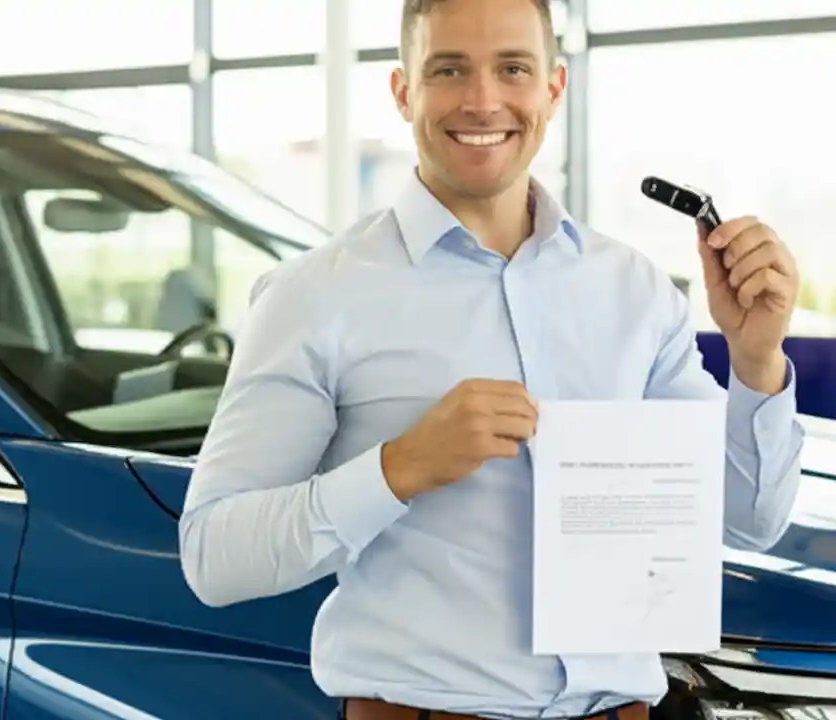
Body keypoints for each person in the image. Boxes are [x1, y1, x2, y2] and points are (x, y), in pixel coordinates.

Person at [177, 0, 806, 718]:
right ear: (404, 90)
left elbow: (751, 522)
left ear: (553, 89)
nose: (483, 100)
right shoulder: (313, 297)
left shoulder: (632, 290)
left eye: (513, 68)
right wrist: (400, 467)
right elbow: (213, 558)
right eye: (449, 69)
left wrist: (756, 362)